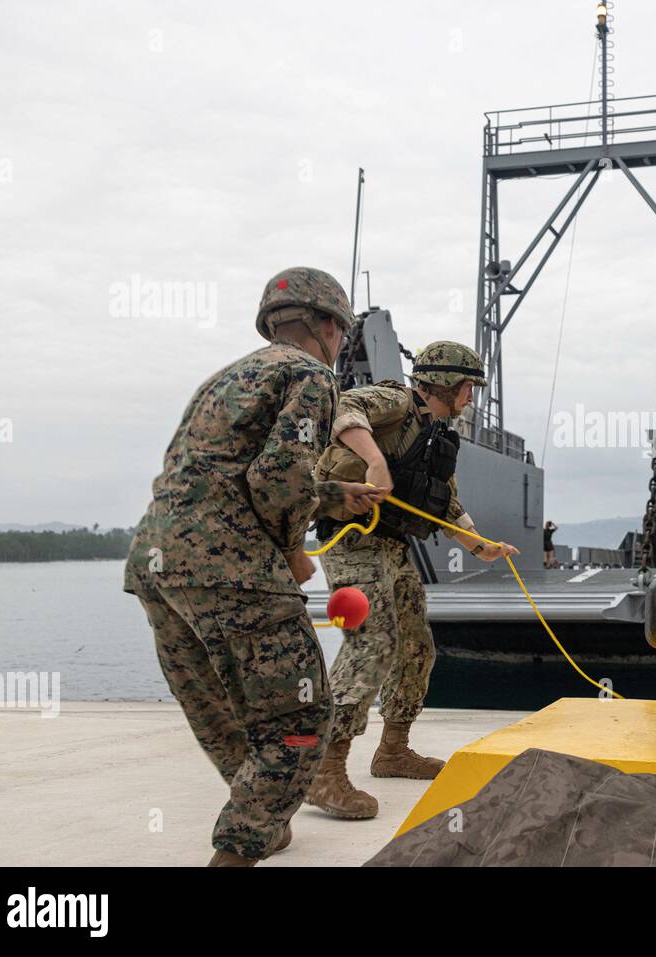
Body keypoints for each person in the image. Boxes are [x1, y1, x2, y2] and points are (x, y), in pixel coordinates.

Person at [122, 267, 388, 866]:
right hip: (234, 567)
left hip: (158, 567)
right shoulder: (312, 375)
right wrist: (295, 551)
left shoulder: (227, 377)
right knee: (300, 718)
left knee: (219, 708)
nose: (340, 344)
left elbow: (226, 472)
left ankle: (260, 819)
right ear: (325, 324)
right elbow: (275, 480)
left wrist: (331, 496)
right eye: (341, 332)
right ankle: (238, 850)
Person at [306, 341, 519, 819]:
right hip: (351, 540)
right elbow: (343, 406)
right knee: (372, 642)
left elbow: (446, 505)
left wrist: (480, 546)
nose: (471, 397)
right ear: (446, 384)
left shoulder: (435, 436)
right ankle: (325, 768)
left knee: (416, 646)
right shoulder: (396, 402)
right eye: (468, 388)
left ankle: (393, 750)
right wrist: (376, 462)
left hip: (391, 546)